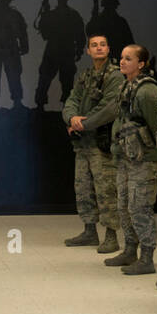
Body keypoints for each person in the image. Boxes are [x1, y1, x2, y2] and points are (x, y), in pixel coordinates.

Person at [61, 33, 124, 251]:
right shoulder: (85, 75)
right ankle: (89, 230)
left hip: (101, 141)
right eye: (94, 45)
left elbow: (109, 108)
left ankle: (111, 235)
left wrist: (82, 123)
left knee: (106, 188)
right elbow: (72, 99)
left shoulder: (115, 75)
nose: (98, 48)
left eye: (103, 45)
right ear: (88, 50)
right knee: (84, 187)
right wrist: (71, 117)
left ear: (108, 49)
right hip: (83, 143)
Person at [108, 44, 157, 275]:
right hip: (126, 157)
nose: (122, 62)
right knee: (124, 205)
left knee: (139, 207)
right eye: (121, 58)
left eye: (128, 58)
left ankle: (147, 257)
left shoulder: (149, 91)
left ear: (141, 64)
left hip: (145, 160)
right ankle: (130, 249)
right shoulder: (126, 86)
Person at [34, 0, 87, 108]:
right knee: (45, 79)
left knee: (67, 80)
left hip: (65, 49)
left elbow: (80, 34)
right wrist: (44, 14)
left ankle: (66, 107)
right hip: (55, 49)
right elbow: (44, 33)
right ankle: (41, 105)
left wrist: (79, 50)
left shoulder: (73, 15)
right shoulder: (53, 14)